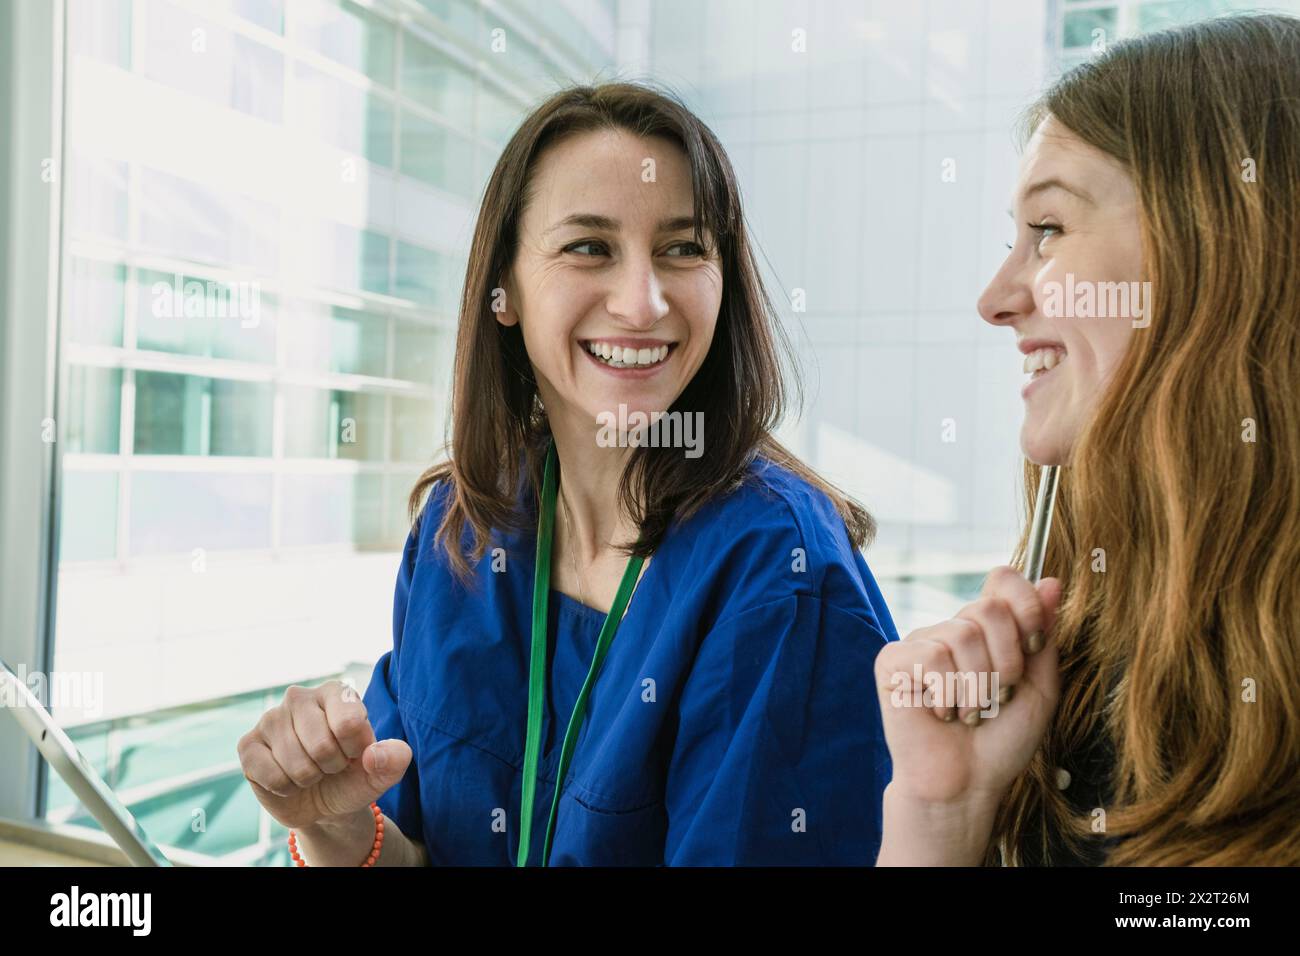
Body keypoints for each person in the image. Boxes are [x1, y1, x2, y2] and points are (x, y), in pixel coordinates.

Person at [237, 82, 899, 866]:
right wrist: (334, 825)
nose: (642, 302)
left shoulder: (776, 568)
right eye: (589, 247)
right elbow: (413, 850)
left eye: (683, 249)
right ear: (504, 289)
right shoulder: (461, 529)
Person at [875, 13, 1300, 866]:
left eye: (1050, 231)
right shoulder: (1078, 657)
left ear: (1217, 253)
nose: (995, 298)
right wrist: (940, 815)